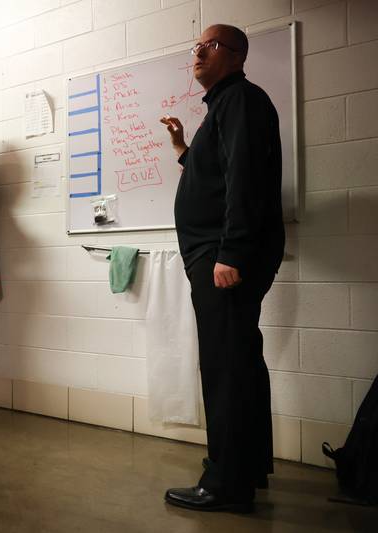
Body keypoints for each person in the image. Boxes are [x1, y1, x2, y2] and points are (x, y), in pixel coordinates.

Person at [160, 24, 284, 512]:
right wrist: (184, 151)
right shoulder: (228, 107)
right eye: (195, 47)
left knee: (225, 366)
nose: (197, 53)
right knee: (240, 360)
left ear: (236, 55)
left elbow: (245, 178)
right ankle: (249, 469)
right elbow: (217, 173)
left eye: (207, 47)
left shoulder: (241, 101)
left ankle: (226, 484)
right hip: (219, 252)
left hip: (222, 255)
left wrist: (230, 252)